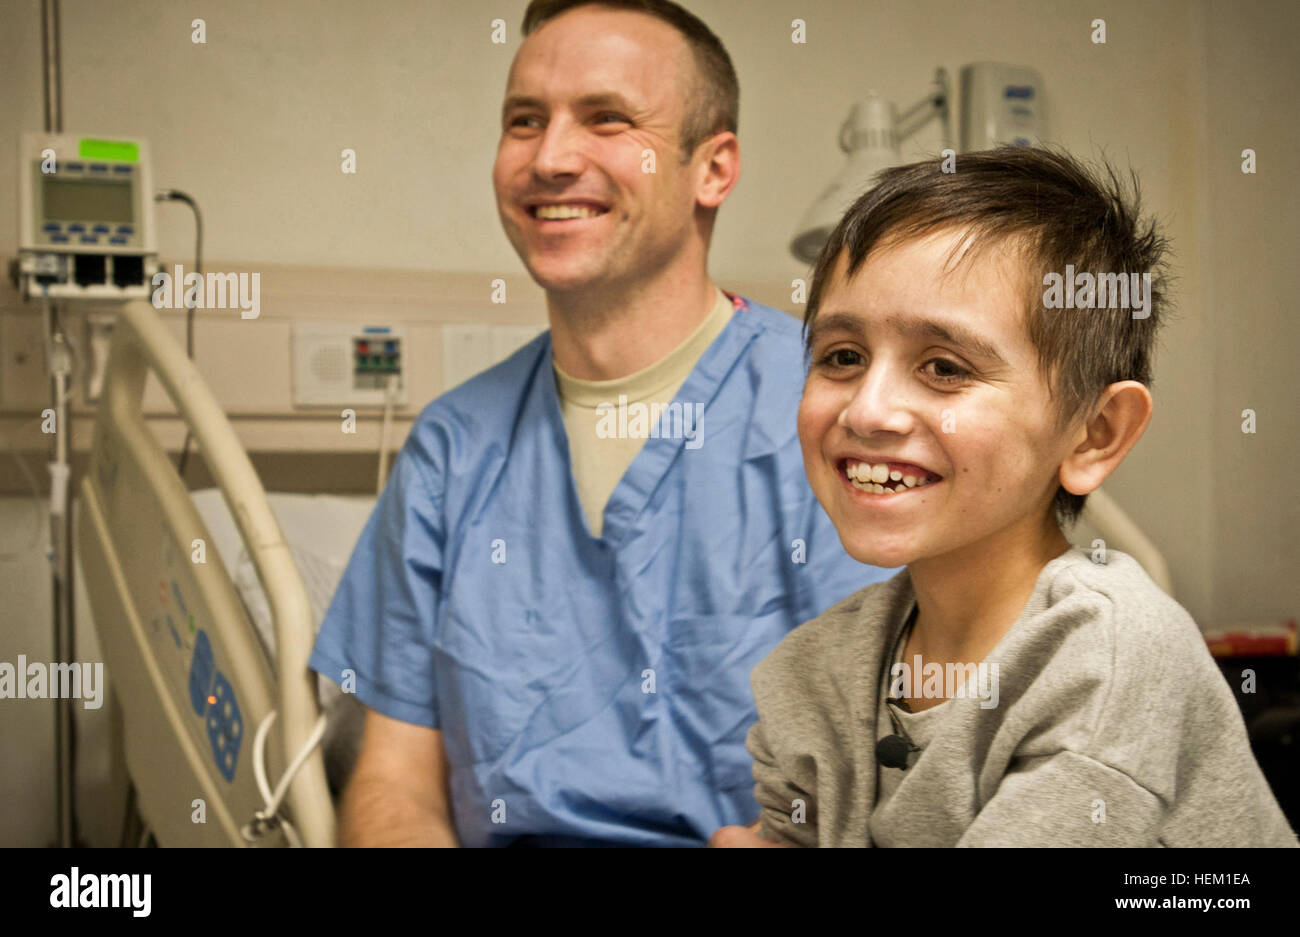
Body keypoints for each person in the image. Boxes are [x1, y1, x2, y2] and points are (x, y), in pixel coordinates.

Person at [308, 0, 889, 847]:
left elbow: (901, 777)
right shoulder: (453, 447)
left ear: (713, 169)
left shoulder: (836, 417)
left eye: (607, 120)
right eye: (524, 121)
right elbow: (395, 783)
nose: (549, 158)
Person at [712, 147, 1298, 847]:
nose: (868, 411)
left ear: (1093, 435)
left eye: (944, 367)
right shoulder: (814, 674)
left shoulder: (1110, 661)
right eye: (842, 356)